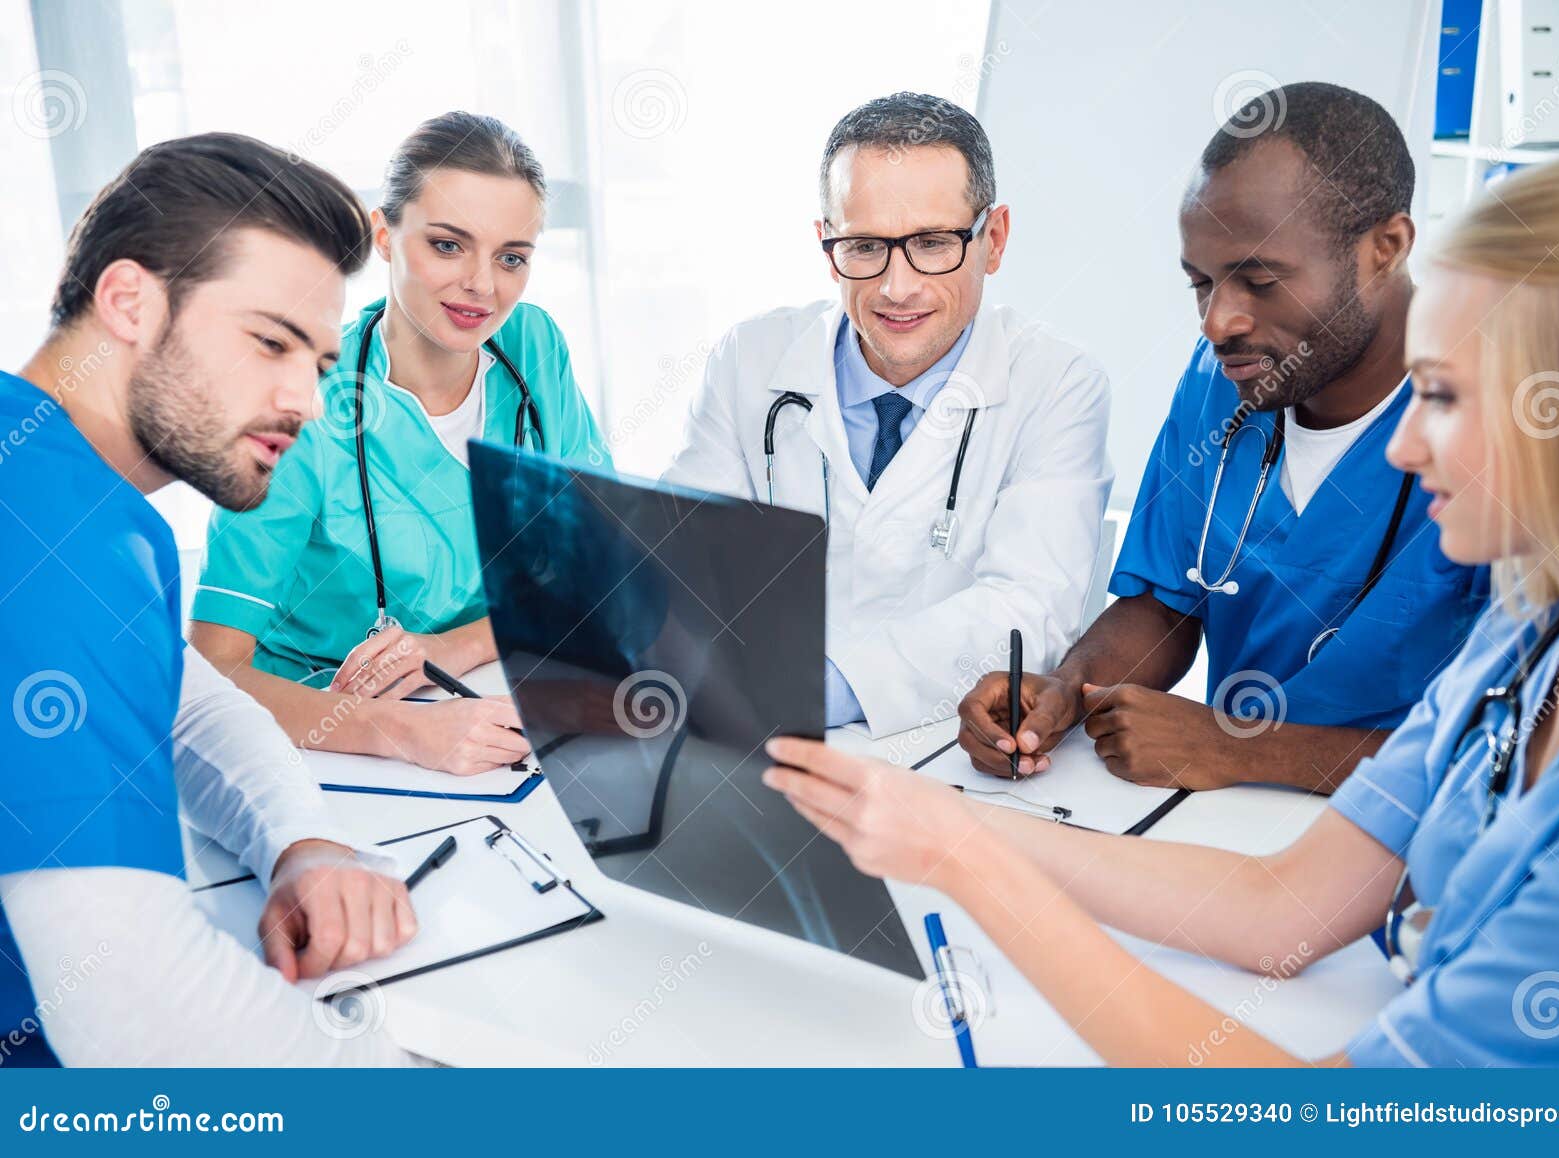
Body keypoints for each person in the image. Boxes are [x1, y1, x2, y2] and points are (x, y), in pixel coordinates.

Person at [767, 150, 1559, 1066]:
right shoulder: (1529, 643)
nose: (1407, 442)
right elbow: (1279, 910)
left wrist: (973, 863)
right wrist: (956, 817)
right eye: (1202, 283)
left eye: (1441, 394)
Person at [0, 133, 426, 1066]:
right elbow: (141, 1016)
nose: (306, 402)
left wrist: (303, 845)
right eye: (269, 341)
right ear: (128, 302)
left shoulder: (51, 479)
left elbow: (192, 709)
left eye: (317, 364)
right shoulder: (53, 533)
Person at [959, 82, 1488, 793]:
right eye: (1201, 284)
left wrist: (1244, 752)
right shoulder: (1225, 380)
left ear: (1385, 248)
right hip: (1226, 818)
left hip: (1410, 846)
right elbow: (1168, 601)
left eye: (1260, 281)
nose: (1217, 322)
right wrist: (1065, 688)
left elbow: (1515, 742)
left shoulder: (1499, 422)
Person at [664, 92, 1112, 737]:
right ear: (825, 243)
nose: (897, 287)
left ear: (994, 239)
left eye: (933, 243)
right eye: (866, 245)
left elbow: (1030, 606)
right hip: (742, 732)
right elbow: (688, 553)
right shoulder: (750, 358)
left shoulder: (1059, 383)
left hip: (945, 748)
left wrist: (822, 688)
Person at [190, 112, 610, 775]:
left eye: (511, 257)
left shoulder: (532, 344)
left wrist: (452, 648)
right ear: (384, 234)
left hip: (488, 700)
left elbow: (600, 566)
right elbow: (213, 669)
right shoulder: (303, 399)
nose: (482, 285)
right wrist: (402, 731)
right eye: (447, 245)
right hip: (321, 737)